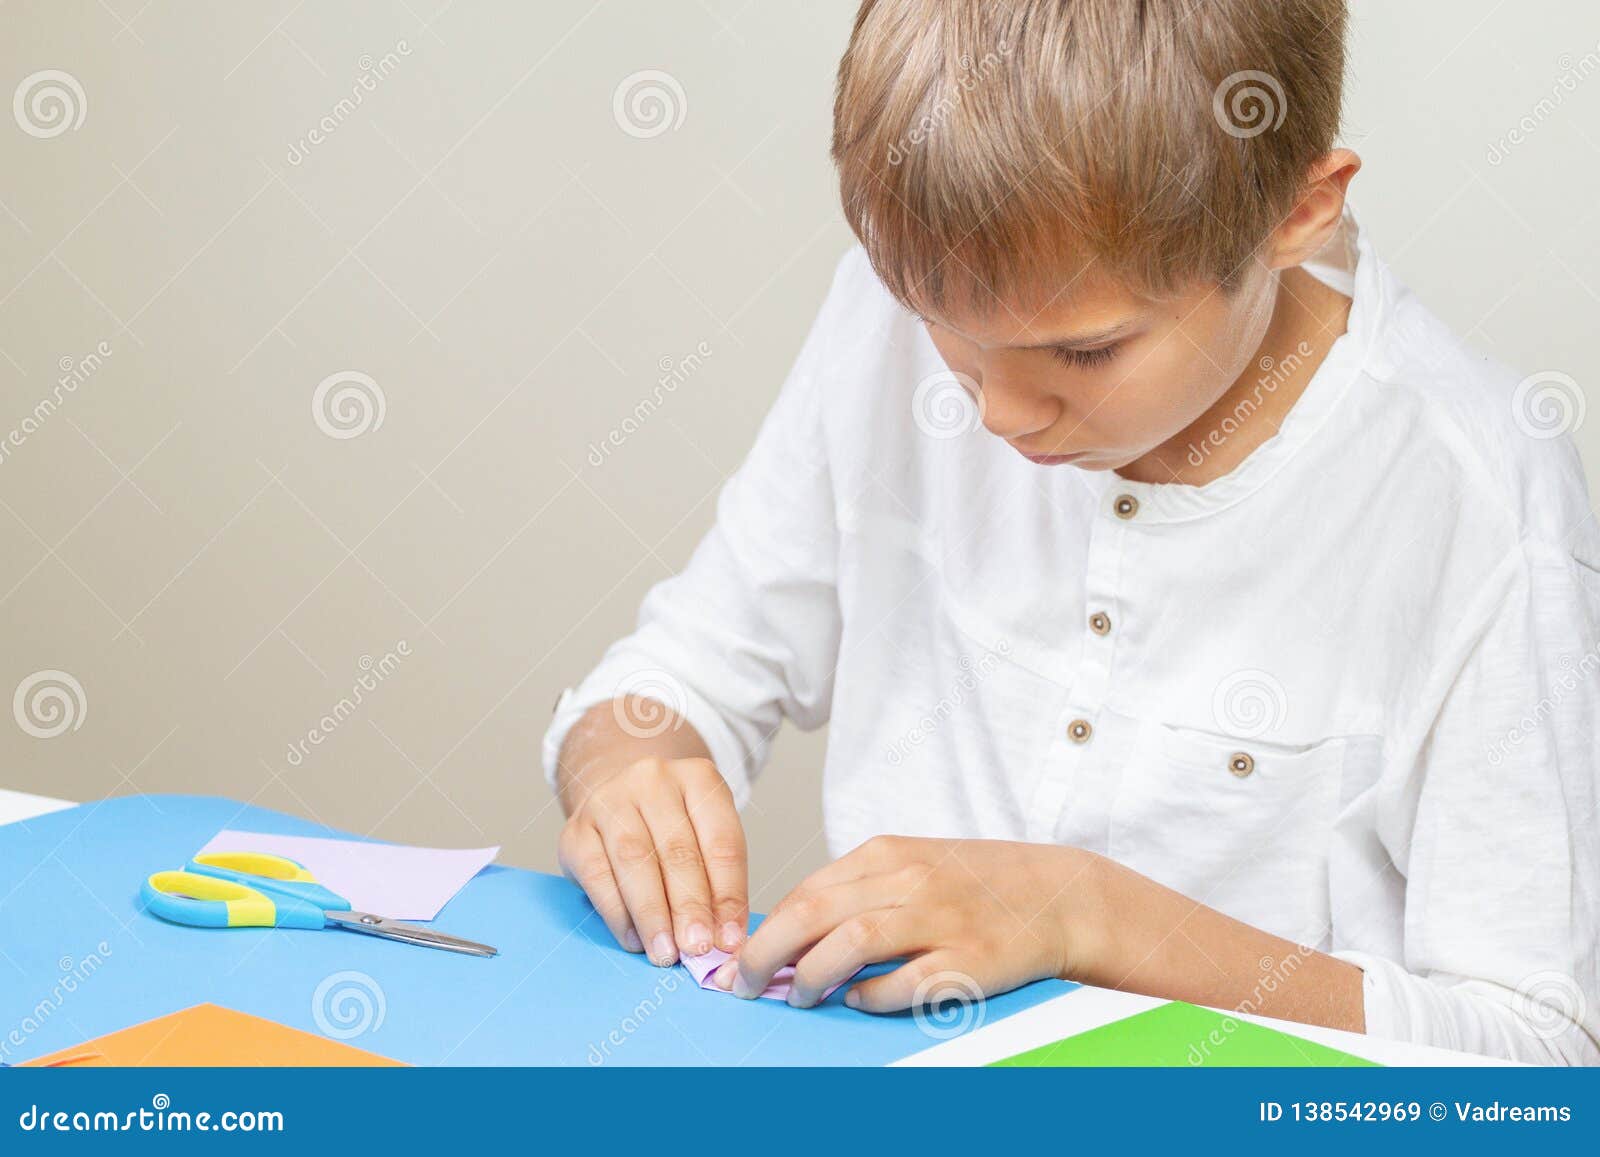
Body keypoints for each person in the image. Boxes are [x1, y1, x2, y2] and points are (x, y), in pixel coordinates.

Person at [543, 0, 1600, 1064]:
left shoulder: (1478, 499)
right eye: (941, 328)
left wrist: (1086, 915)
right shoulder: (920, 297)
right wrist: (629, 760)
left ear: (1296, 211)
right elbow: (693, 667)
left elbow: (1537, 1053)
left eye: (1086, 353)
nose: (997, 410)